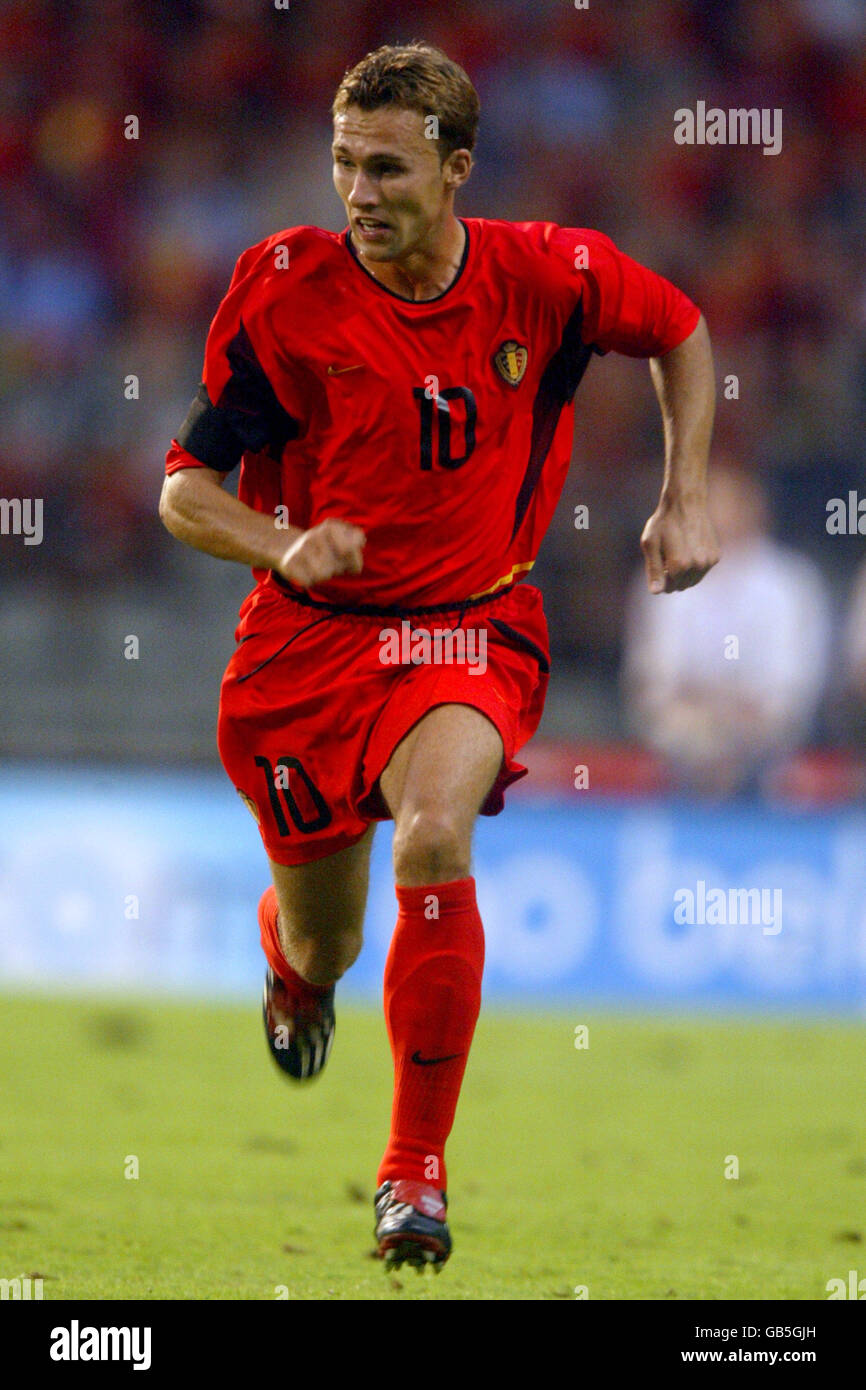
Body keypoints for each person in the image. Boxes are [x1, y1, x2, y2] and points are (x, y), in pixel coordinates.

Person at [159, 41, 719, 1271]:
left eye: (387, 168)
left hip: (468, 628)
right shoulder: (283, 292)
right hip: (303, 655)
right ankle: (290, 971)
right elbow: (184, 493)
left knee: (430, 834)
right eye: (343, 165)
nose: (357, 192)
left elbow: (681, 328)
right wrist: (282, 539)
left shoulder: (549, 274)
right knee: (330, 942)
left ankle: (412, 1171)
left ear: (456, 169)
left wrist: (682, 495)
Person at [622, 458, 830, 797]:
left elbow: (792, 683)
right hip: (684, 732)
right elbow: (655, 677)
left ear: (756, 510)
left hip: (766, 734)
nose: (721, 516)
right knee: (684, 731)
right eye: (709, 503)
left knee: (766, 740)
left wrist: (741, 716)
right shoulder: (664, 574)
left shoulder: (792, 582)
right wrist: (706, 714)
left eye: (731, 503)